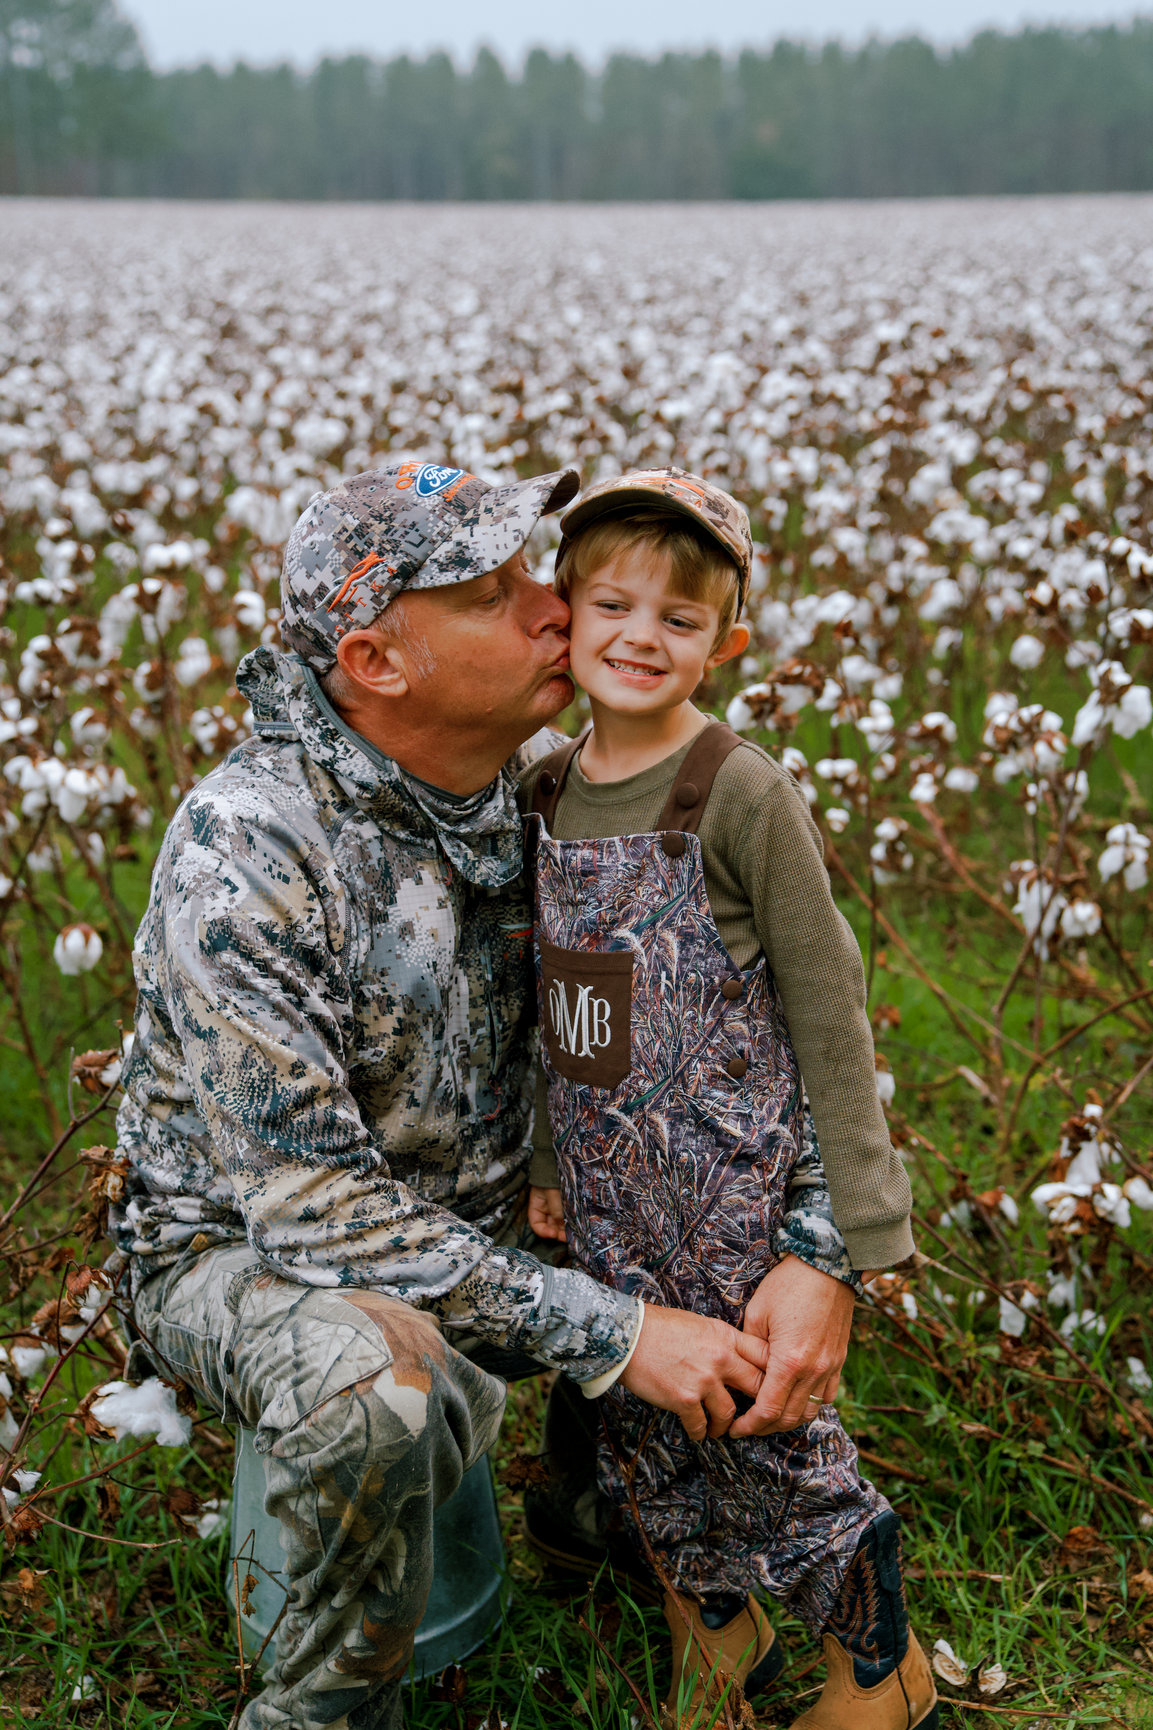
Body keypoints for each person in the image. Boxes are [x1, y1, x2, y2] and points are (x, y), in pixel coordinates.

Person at [111, 459, 850, 1730]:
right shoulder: (249, 851)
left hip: (490, 1213)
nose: (557, 605)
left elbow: (767, 1025)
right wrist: (617, 1333)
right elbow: (312, 1209)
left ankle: (601, 1513)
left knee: (694, 1197)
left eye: (533, 571)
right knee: (372, 1388)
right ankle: (322, 1707)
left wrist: (815, 1245)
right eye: (493, 593)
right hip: (245, 1252)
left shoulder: (553, 790)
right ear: (377, 660)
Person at [521, 468, 938, 1730]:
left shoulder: (739, 789)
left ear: (727, 643)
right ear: (563, 614)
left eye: (679, 618)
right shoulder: (542, 787)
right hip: (606, 1206)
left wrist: (853, 1231)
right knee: (643, 1434)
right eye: (612, 605)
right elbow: (551, 1006)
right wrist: (546, 1158)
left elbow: (830, 1006)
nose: (640, 636)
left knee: (773, 1440)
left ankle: (882, 1668)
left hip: (730, 1205)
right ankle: (715, 1635)